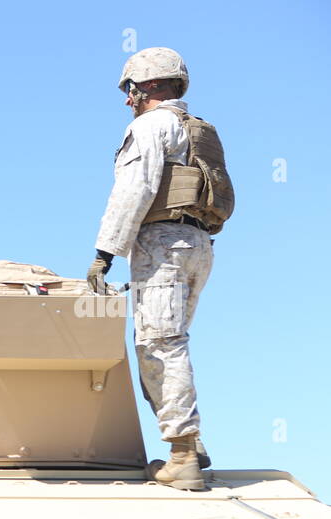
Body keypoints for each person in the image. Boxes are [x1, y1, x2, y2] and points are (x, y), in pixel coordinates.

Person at [88, 47, 232, 491]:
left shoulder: (151, 126)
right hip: (197, 244)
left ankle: (184, 454)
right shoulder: (198, 130)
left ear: (147, 85)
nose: (126, 100)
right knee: (171, 343)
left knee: (159, 345)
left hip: (162, 246)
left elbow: (135, 189)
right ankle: (191, 443)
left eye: (129, 89)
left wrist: (104, 253)